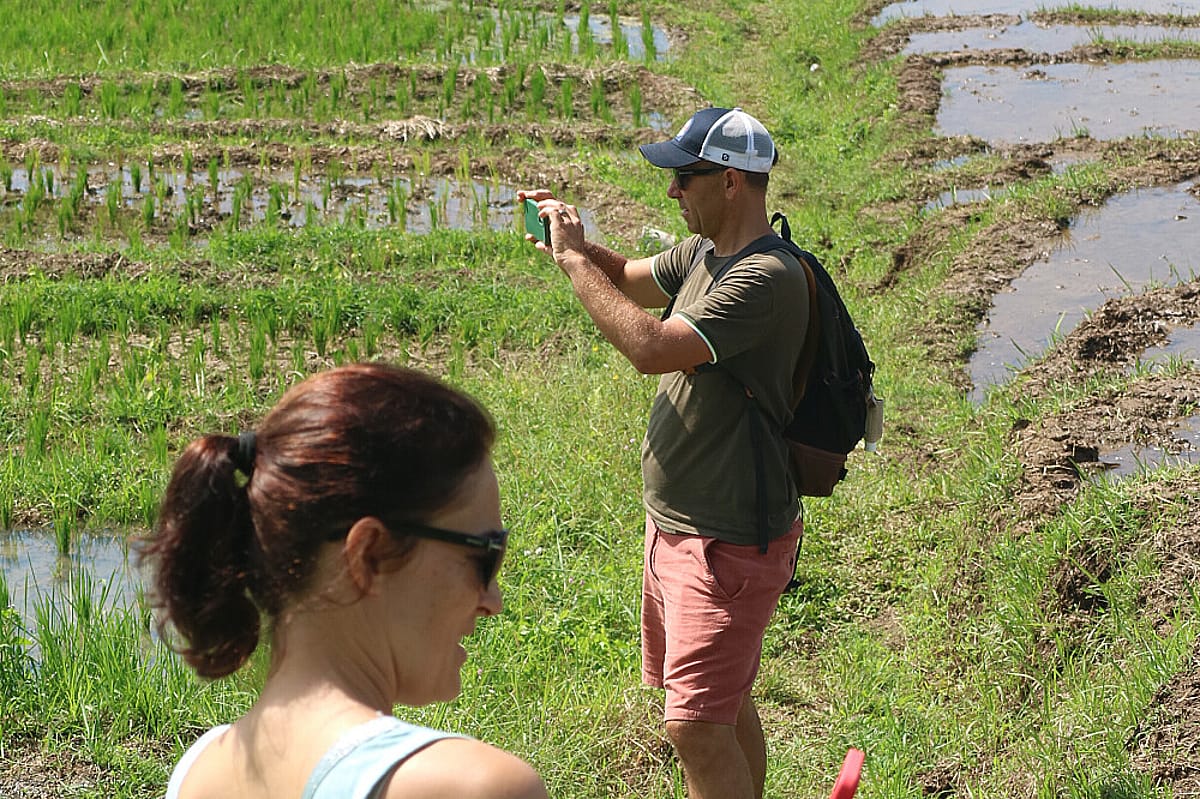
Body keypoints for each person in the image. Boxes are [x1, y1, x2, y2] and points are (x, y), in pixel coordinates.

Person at [519, 107, 808, 799]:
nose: (672, 190)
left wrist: (572, 263)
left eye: (685, 177)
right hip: (682, 525)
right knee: (722, 701)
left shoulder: (765, 277)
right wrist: (573, 244)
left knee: (694, 726)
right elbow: (626, 277)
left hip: (726, 540)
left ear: (731, 181)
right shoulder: (705, 253)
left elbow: (651, 348)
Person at [142, 363, 548, 799]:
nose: (493, 600)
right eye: (485, 554)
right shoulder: (476, 787)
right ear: (369, 555)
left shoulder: (196, 773)